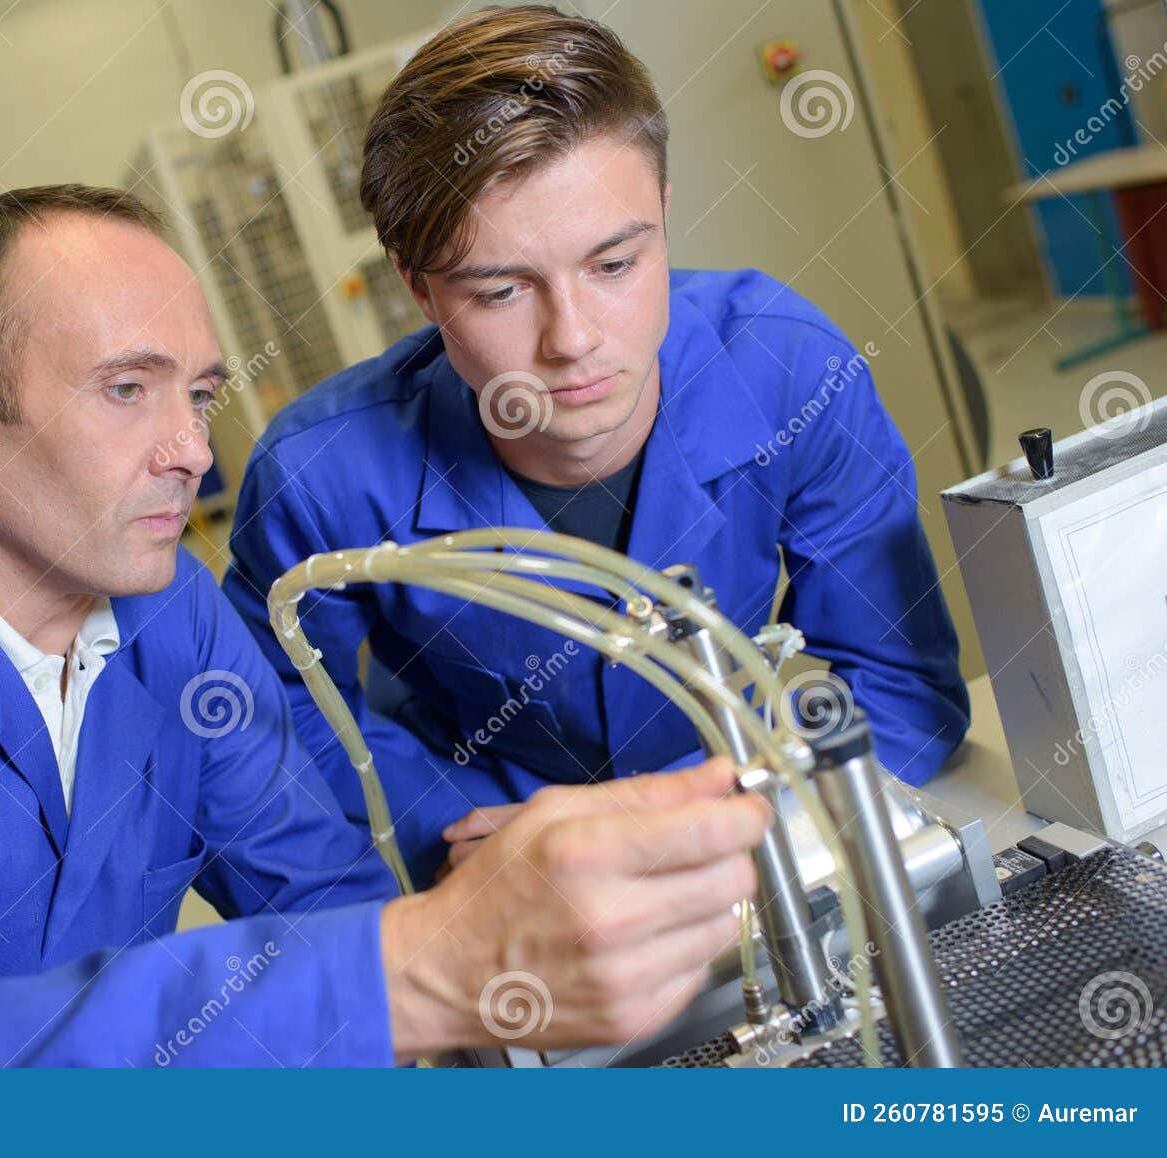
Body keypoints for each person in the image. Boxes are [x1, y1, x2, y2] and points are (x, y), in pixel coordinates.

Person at [0, 185, 769, 1067]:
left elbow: (317, 894)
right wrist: (418, 969)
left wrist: (472, 912)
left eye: (197, 394)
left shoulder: (169, 617)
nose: (191, 449)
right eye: (125, 389)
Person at [224, 5, 970, 888]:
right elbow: (268, 754)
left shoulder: (785, 368)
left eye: (613, 266)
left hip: (747, 809)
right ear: (418, 288)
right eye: (502, 290)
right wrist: (441, 847)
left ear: (662, 209)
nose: (573, 339)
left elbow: (900, 687)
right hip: (486, 837)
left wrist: (656, 828)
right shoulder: (323, 475)